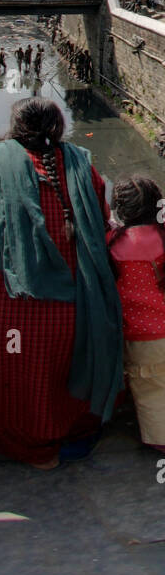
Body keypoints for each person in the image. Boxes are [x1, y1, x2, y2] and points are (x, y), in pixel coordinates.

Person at [0, 96, 121, 467]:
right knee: (50, 373)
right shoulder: (82, 167)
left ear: (16, 129)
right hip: (72, 311)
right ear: (58, 129)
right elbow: (102, 224)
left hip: (3, 309)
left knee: (3, 359)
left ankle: (22, 445)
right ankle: (58, 437)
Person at [108, 177, 165, 455]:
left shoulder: (113, 243)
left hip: (141, 338)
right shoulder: (163, 238)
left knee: (150, 393)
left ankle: (160, 439)